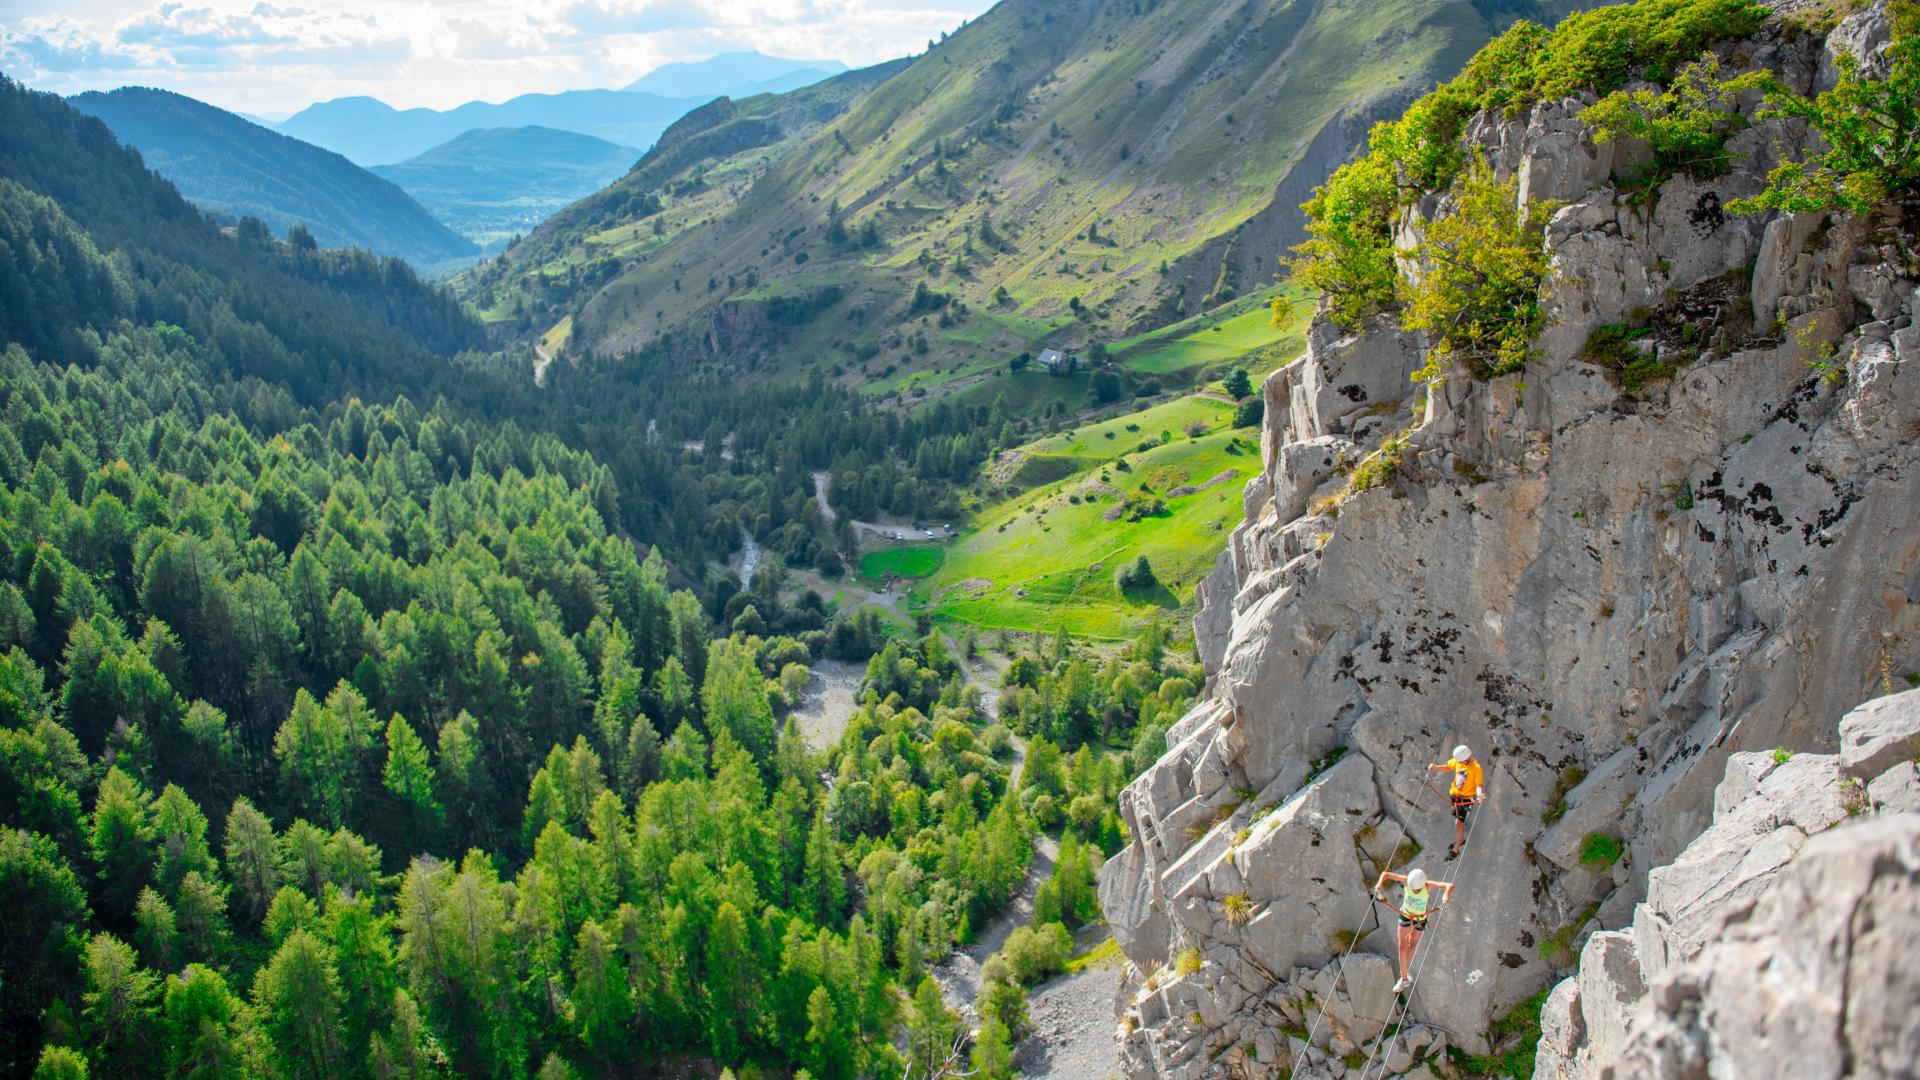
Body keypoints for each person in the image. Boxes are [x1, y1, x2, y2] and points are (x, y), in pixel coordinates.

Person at [1372, 867, 1455, 993]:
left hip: (1420, 919)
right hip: (1406, 916)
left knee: (1412, 944)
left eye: (1417, 889)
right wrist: (1379, 885)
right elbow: (1386, 874)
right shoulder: (1407, 881)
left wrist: (1446, 895)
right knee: (1402, 947)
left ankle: (1404, 972)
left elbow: (1449, 885)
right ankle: (1404, 978)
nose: (1415, 890)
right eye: (1413, 888)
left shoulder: (1427, 886)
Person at [1429, 745, 1484, 859]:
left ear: (1466, 758)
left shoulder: (1476, 768)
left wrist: (1479, 795)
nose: (1458, 762)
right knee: (1458, 820)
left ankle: (1456, 849)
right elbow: (1448, 767)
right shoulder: (1458, 761)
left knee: (1459, 823)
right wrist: (1436, 767)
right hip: (1455, 796)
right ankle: (1461, 839)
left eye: (1460, 761)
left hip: (1465, 799)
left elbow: (1478, 785)